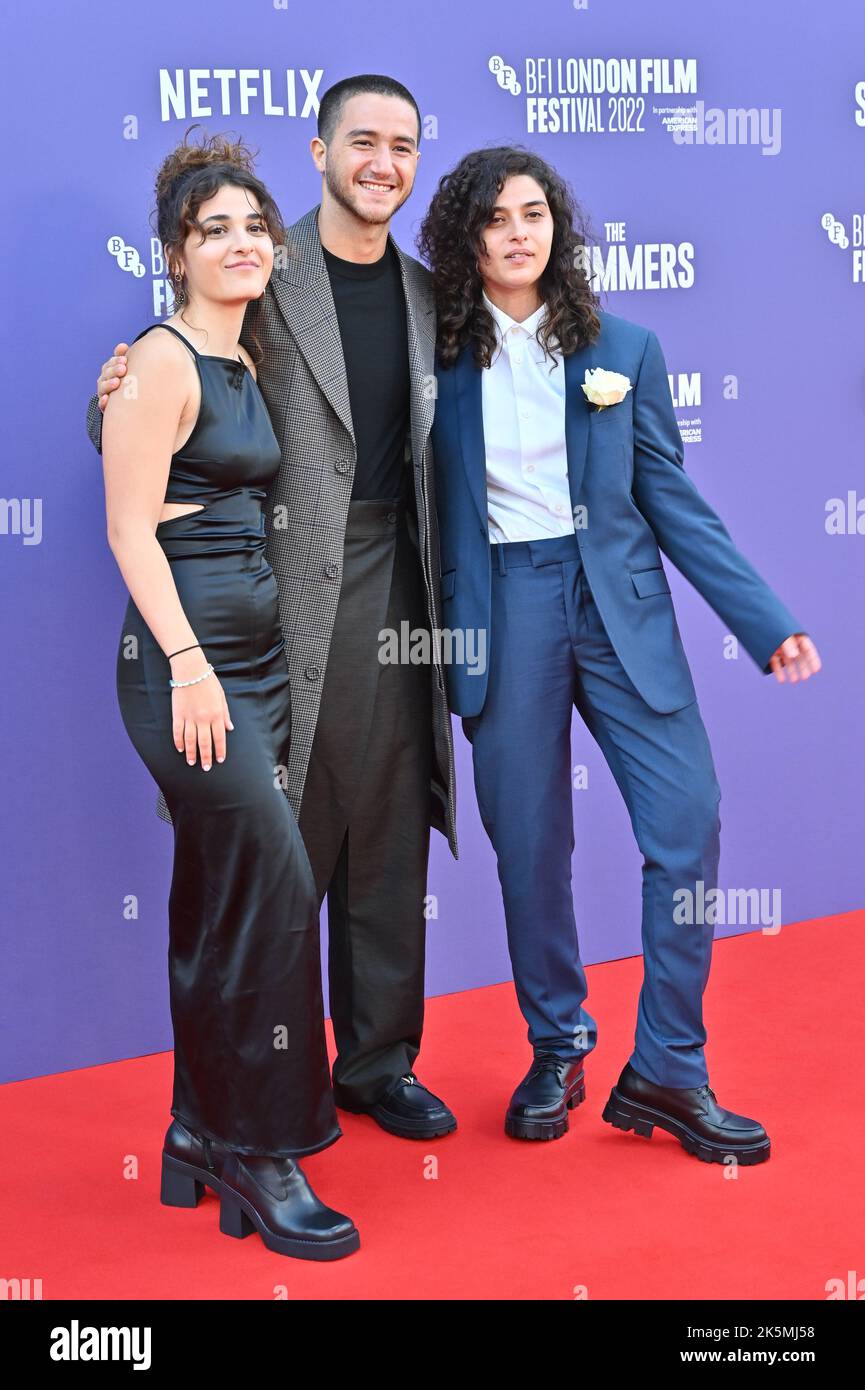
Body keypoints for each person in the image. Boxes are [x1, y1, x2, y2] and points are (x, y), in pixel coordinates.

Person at [420, 147, 821, 1164]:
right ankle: (557, 1044)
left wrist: (763, 620)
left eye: (534, 213)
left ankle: (668, 1068)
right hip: (502, 607)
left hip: (619, 609)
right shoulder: (432, 358)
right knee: (530, 846)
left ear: (558, 227)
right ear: (465, 242)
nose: (519, 232)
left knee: (687, 824)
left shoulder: (623, 349)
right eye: (495, 218)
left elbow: (671, 500)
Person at [87, 78, 458, 1140]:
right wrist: (106, 393)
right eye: (362, 142)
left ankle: (379, 1059)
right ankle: (257, 1101)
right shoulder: (262, 259)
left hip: (406, 581)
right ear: (320, 151)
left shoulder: (433, 296)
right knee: (281, 840)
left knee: (388, 825)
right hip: (284, 589)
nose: (381, 162)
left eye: (402, 145)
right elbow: (158, 392)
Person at [101, 128, 358, 1258]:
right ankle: (263, 1150)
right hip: (184, 670)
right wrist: (193, 667)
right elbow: (125, 526)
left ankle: (198, 1129)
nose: (244, 243)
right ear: (175, 253)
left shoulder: (246, 361)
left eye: (258, 227)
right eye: (217, 231)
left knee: (219, 901)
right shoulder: (157, 359)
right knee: (276, 884)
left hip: (252, 665)